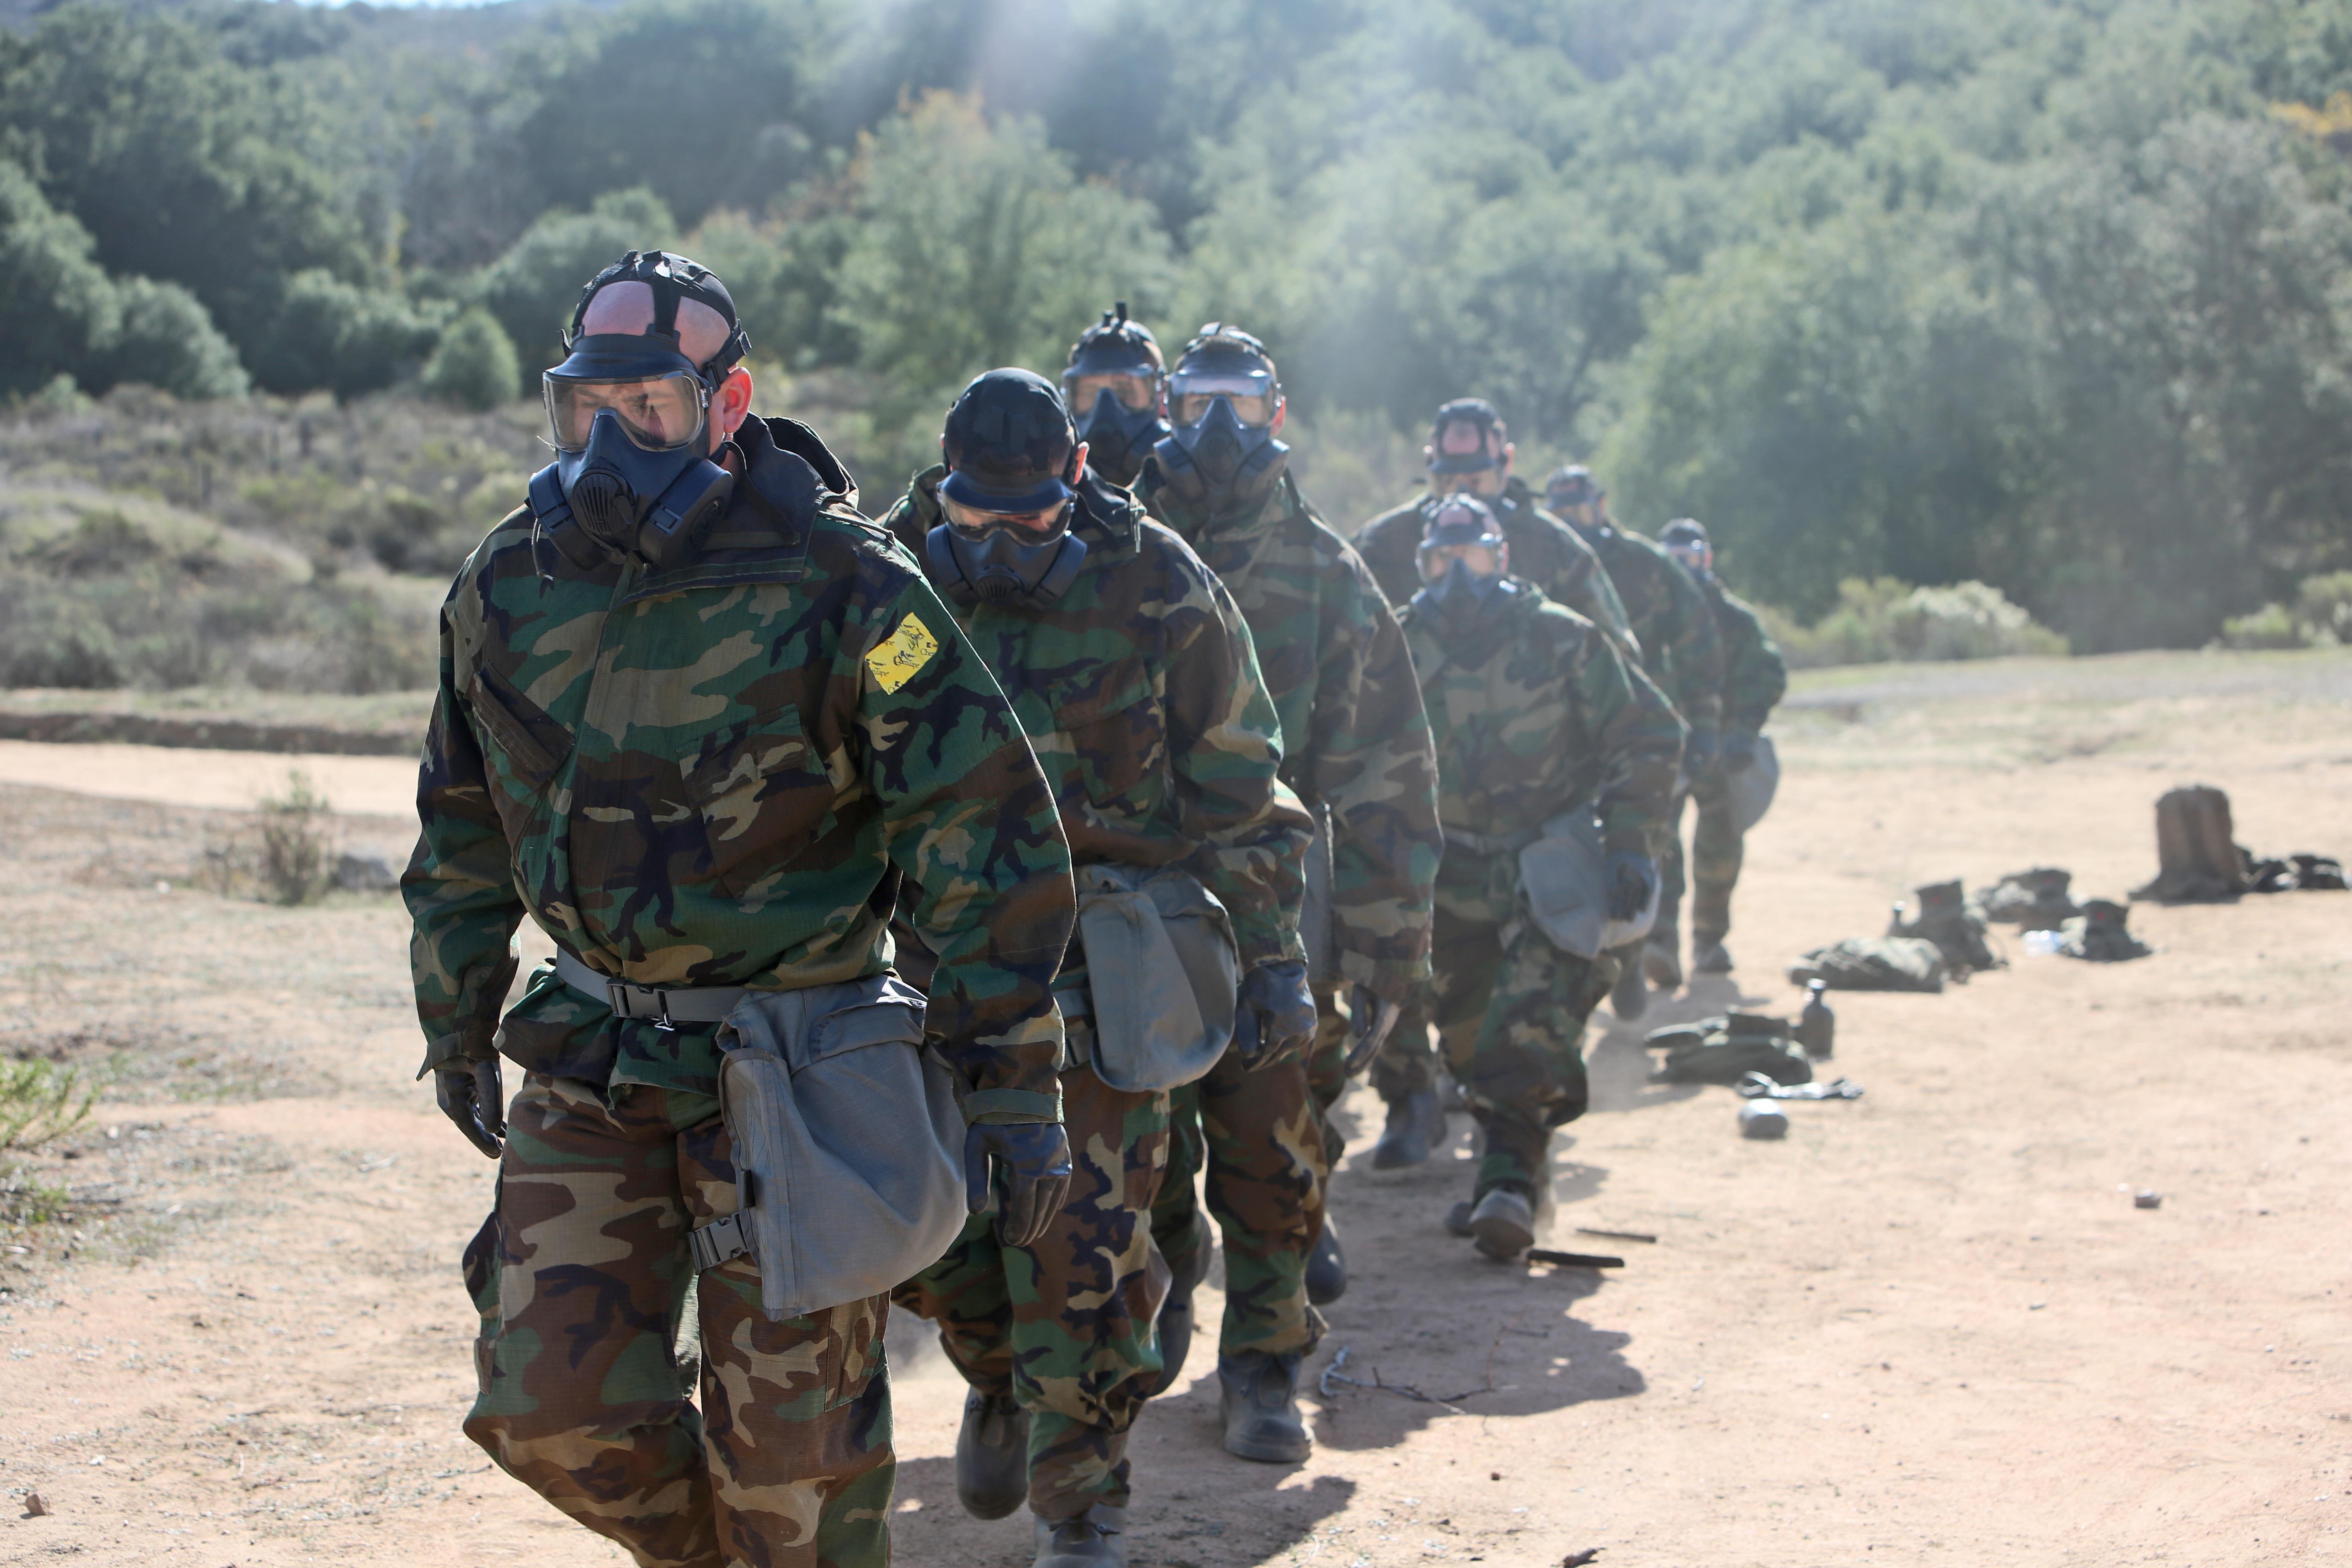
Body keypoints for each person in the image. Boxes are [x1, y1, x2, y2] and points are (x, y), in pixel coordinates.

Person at [404, 250, 1080, 1568]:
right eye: (581, 409)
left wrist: (1014, 1086)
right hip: (596, 1054)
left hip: (799, 1068)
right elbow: (461, 818)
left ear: (729, 401)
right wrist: (455, 1018)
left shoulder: (851, 585)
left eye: (646, 405)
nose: (608, 443)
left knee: (795, 1474)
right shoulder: (509, 582)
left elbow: (984, 828)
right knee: (548, 1411)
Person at [879, 368, 1312, 1568]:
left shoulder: (1161, 579)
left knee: (1084, 1249)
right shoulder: (887, 575)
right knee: (940, 1237)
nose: (1005, 541)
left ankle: (1083, 1510)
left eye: (1030, 515)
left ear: (1074, 474)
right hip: (934, 959)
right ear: (946, 485)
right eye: (978, 517)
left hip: (1102, 963)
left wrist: (1275, 958)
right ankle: (998, 1376)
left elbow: (1243, 783)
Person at [1134, 325, 1440, 1460]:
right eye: (1197, 404)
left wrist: (1386, 950)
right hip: (1136, 900)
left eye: (1243, 407)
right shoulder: (1112, 548)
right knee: (1141, 1138)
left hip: (1279, 892)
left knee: (1274, 1146)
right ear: (1167, 411)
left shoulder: (1328, 573)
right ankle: (1162, 1296)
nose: (1218, 431)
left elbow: (1391, 773)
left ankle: (1264, 1364)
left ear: (1278, 417)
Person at [1398, 495, 1683, 1259]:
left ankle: (1508, 1186)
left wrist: (1629, 841)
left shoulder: (1563, 637)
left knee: (1528, 1026)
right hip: (1446, 871)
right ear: (1421, 565)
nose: (1459, 576)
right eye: (1440, 561)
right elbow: (1348, 750)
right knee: (1465, 1041)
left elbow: (1649, 731)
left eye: (1476, 558)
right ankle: (1517, 1168)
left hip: (1547, 862)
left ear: (1504, 559)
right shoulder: (1396, 643)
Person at [1543, 464, 1724, 1014]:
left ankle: (1642, 948)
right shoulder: (1543, 559)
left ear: (1602, 505)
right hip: (1560, 736)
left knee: (1645, 840)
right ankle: (1595, 961)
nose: (1576, 520)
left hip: (1636, 727)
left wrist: (1705, 723)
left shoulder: (1648, 565)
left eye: (1584, 508)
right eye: (1564, 511)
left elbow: (1698, 639)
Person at [1355, 399, 1636, 655]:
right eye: (1448, 482)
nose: (1462, 496)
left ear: (1507, 462)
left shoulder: (1553, 547)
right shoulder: (1379, 545)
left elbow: (1617, 655)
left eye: (1477, 481)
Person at [1657, 518, 1787, 973]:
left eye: (1691, 560)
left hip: (1720, 755)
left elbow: (1766, 673)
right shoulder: (1651, 618)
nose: (1684, 570)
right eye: (1674, 562)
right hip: (1664, 752)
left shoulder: (1735, 619)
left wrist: (1743, 732)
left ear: (1707, 560)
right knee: (1658, 848)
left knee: (1720, 849)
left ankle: (1709, 941)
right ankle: (1660, 945)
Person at [1060, 303, 1169, 488]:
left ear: (1162, 395)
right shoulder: (1050, 495)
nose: (1105, 409)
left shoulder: (1191, 490)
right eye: (1089, 392)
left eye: (1126, 391)